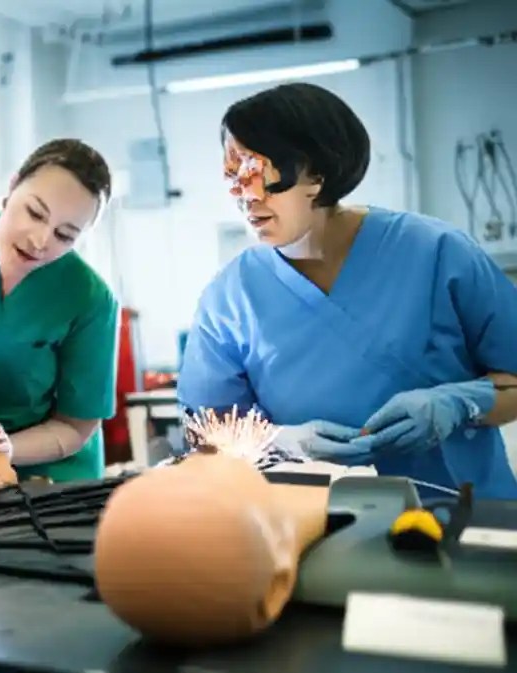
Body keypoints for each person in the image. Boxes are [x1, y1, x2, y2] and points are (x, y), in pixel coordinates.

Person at [178, 82, 517, 500]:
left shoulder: (437, 252)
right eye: (234, 175)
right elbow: (206, 432)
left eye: (259, 172)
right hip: (309, 521)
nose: (245, 196)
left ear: (318, 172)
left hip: (464, 513)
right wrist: (279, 441)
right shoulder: (232, 296)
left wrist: (461, 403)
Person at [0, 139, 121, 483]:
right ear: (13, 186)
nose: (41, 241)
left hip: (50, 474)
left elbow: (76, 426)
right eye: (34, 213)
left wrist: (4, 450)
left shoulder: (90, 299)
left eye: (65, 235)